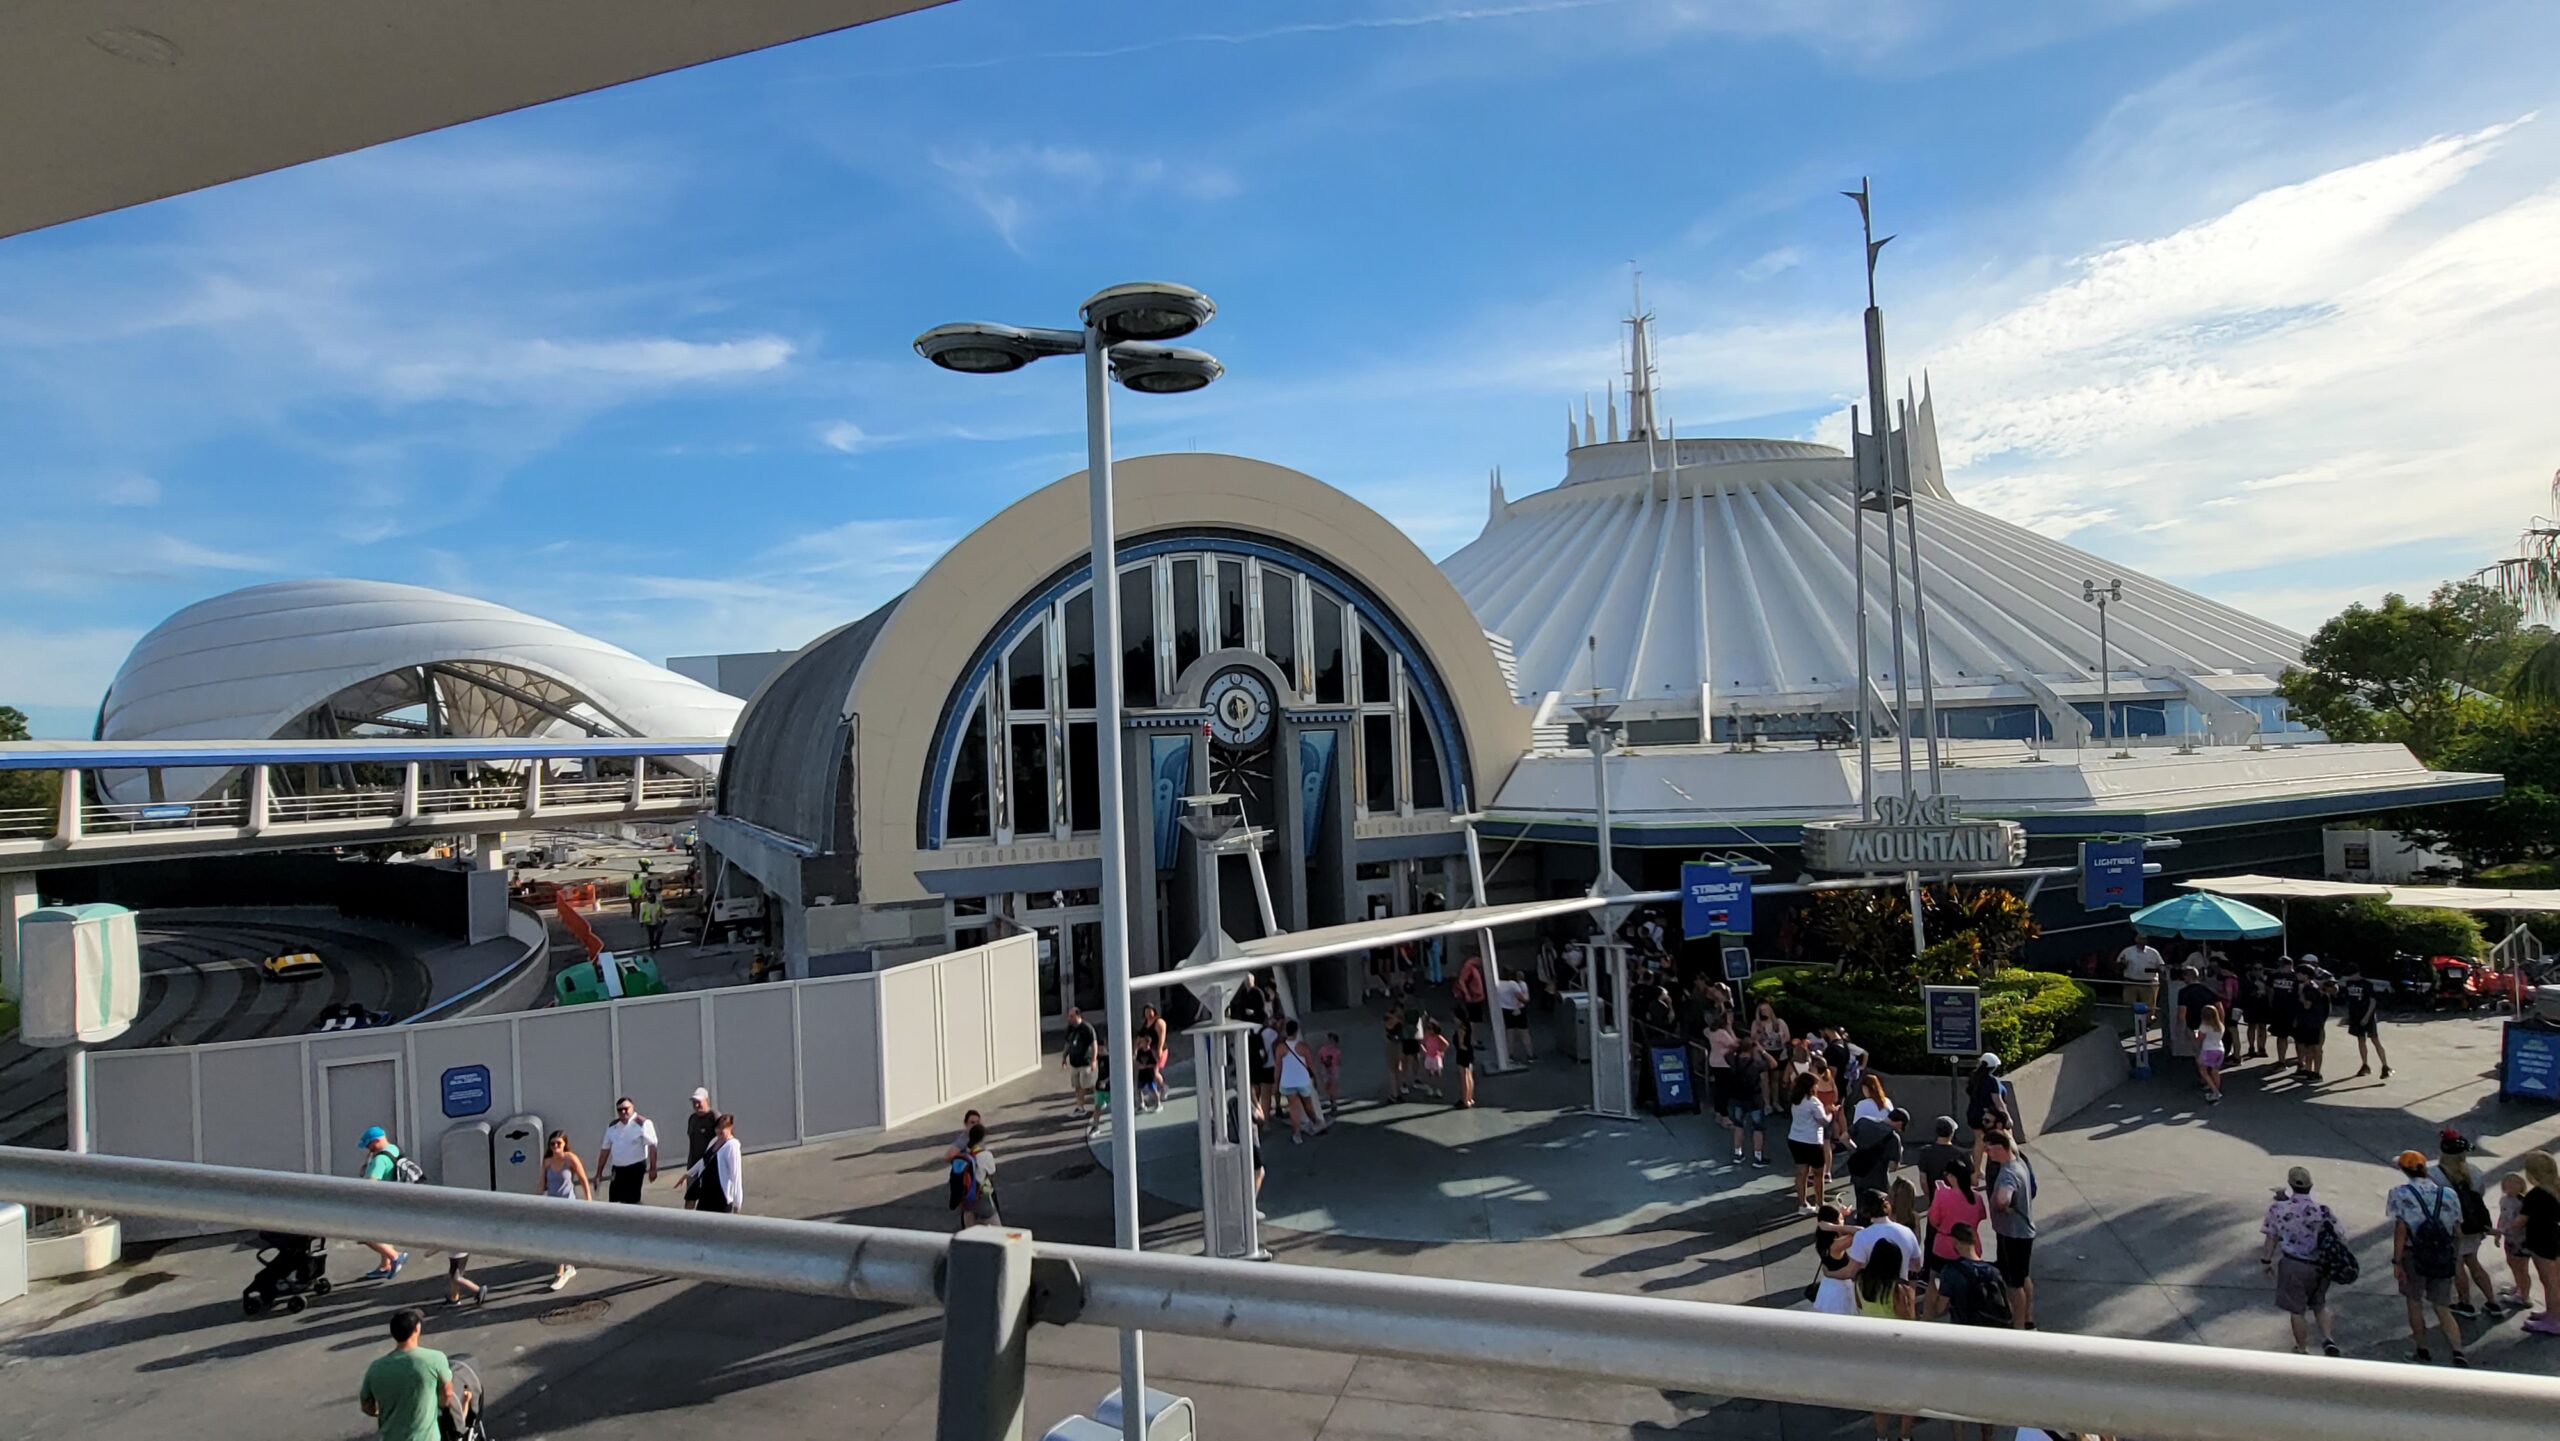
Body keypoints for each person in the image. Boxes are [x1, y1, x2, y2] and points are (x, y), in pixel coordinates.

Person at [2384, 1149, 2469, 1365]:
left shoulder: (2399, 1194)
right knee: (2442, 1305)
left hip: (2415, 1254)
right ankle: (2458, 1350)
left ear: (2404, 1170)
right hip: (2443, 1252)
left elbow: (2401, 1228)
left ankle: (2422, 1350)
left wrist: (2397, 1260)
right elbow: (2458, 1230)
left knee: (2414, 1302)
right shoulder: (2448, 1193)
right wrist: (2455, 1257)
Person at [2260, 1165, 2344, 1356]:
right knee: (2320, 1304)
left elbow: (2271, 1236)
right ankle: (2328, 1339)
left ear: (2290, 1184)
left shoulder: (2278, 1209)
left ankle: (2302, 1348)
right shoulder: (2322, 1210)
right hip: (2320, 1264)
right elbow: (2340, 1234)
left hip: (2293, 1264)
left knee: (2297, 1310)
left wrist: (2266, 1261)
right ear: (2311, 1186)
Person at [359, 1308, 464, 1441]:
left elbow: (367, 1406)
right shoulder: (435, 1359)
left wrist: (384, 1413)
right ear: (417, 1329)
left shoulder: (376, 1368)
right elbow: (447, 1393)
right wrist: (436, 1406)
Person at [1853, 1234, 1916, 1441]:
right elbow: (1909, 1320)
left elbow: (1860, 1305)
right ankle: (1905, 1437)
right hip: (1898, 1348)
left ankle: (1882, 1437)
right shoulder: (1899, 1289)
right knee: (1907, 1397)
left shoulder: (1861, 1280)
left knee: (1879, 1398)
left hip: (1872, 1346)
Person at [2432, 1131, 2501, 1318]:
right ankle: (2492, 1302)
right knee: (2474, 1262)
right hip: (2475, 1224)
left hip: (2452, 1227)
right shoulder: (2475, 1172)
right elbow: (2480, 1194)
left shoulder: (2434, 1175)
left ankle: (2465, 1302)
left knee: (2458, 1265)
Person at [1984, 1131, 2038, 1329]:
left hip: (2011, 1234)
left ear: (2000, 1148)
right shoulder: (2019, 1163)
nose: (1988, 1154)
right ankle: (2028, 1317)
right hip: (2024, 1232)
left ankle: (2017, 1326)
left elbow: (2002, 1199)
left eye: (1989, 1150)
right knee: (2023, 1276)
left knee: (2013, 1284)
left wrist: (2001, 1207)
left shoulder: (2008, 1174)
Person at [1926, 1160, 1989, 1315]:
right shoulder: (1976, 1197)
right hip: (1971, 1247)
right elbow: (1982, 1216)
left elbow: (1933, 1220)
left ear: (1953, 1177)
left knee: (1934, 1279)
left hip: (1944, 1247)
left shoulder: (1942, 1195)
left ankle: (1928, 1315)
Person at [354, 1126, 409, 1281]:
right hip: (391, 1202)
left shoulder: (379, 1160)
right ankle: (385, 1266)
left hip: (378, 1204)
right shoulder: (393, 1149)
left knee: (362, 1235)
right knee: (382, 1234)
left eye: (368, 1145)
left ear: (376, 1141)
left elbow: (370, 1185)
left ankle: (395, 1257)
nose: (367, 1149)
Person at [540, 1130, 591, 1291]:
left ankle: (560, 1272)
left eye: (559, 1143)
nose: (555, 1146)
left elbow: (583, 1179)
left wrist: (588, 1200)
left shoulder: (570, 1159)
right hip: (553, 1204)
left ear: (564, 1144)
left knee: (560, 1237)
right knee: (558, 1237)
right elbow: (541, 1183)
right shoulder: (547, 1162)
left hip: (568, 1204)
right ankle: (568, 1265)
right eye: (552, 1144)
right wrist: (535, 1201)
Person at [2522, 1150, 2560, 1335]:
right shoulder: (2558, 1188)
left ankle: (2553, 1320)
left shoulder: (2535, 1195)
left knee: (2549, 1282)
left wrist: (2502, 1230)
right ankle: (2554, 1313)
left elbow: (2520, 1221)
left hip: (2542, 1242)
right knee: (2556, 1281)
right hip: (2557, 1239)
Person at [595, 1096, 658, 1205]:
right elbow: (605, 1150)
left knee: (632, 1200)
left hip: (635, 1167)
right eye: (620, 1110)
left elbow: (653, 1146)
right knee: (614, 1200)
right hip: (618, 1168)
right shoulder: (612, 1126)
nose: (623, 1112)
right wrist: (598, 1173)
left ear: (632, 1108)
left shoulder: (642, 1123)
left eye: (626, 1108)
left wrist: (653, 1168)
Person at [1786, 1072, 1833, 1215]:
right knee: (1818, 1174)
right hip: (1812, 1141)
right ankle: (1820, 1203)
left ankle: (1802, 1204)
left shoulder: (1796, 1100)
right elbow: (1823, 1121)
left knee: (1801, 1173)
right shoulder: (1814, 1102)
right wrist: (1831, 1113)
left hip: (1795, 1139)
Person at [677, 1112, 741, 1214]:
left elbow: (736, 1176)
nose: (719, 1131)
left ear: (730, 1128)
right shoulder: (714, 1141)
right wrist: (688, 1174)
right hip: (706, 1192)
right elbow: (704, 1160)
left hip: (720, 1197)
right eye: (717, 1128)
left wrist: (737, 1204)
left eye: (722, 1128)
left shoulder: (732, 1146)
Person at [1722, 1031, 1769, 1167]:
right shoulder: (1756, 1064)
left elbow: (1726, 1054)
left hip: (1737, 1097)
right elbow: (1773, 1064)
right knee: (1758, 1128)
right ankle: (1758, 1157)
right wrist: (1763, 1051)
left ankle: (1738, 1153)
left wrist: (1737, 1047)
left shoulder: (1733, 1061)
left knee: (1738, 1125)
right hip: (1754, 1098)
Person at [1275, 1020, 1327, 1141]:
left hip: (1288, 1081)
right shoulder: (1302, 1047)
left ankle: (1297, 1134)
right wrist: (1315, 1079)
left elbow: (1278, 1066)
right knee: (1308, 1106)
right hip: (1302, 1080)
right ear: (1296, 1031)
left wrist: (1276, 1082)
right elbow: (1311, 1065)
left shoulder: (1281, 1048)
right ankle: (1317, 1123)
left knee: (1294, 1108)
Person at [2339, 962, 2391, 1080]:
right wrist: (2347, 1016)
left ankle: (2385, 1065)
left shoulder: (2367, 984)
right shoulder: (2349, 984)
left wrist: (2367, 1016)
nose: (2349, 977)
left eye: (2351, 974)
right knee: (2361, 1040)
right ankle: (2365, 1064)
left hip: (2367, 1015)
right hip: (2355, 1015)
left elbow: (2373, 1001)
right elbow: (2350, 1001)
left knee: (2374, 1039)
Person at [1845, 1107, 1908, 1202]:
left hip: (1859, 1175)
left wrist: (1856, 1151)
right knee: (1879, 1211)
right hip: (1879, 1181)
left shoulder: (1863, 1121)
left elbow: (1843, 1138)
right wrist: (1900, 1151)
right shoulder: (1893, 1138)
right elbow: (1893, 1167)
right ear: (1899, 1123)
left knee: (1861, 1208)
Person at [2496, 1172, 2537, 1316]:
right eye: (2508, 1183)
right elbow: (2502, 1216)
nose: (2511, 1186)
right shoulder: (2504, 1200)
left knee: (2522, 1268)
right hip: (2509, 1238)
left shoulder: (2523, 1202)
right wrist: (2498, 1233)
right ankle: (2518, 1287)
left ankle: (2524, 1296)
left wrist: (2505, 1229)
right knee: (2511, 1263)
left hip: (2521, 1240)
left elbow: (2522, 1222)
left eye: (2515, 1183)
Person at [1808, 1203, 1859, 1315]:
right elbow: (1860, 1232)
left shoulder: (1822, 1239)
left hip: (1828, 1286)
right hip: (1840, 1290)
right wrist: (1835, 1227)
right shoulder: (1837, 1245)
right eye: (1841, 1219)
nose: (1843, 1221)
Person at [948, 1121, 1000, 1229]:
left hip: (966, 1202)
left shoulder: (963, 1155)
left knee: (971, 1236)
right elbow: (991, 1173)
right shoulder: (986, 1155)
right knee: (997, 1231)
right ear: (983, 1138)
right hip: (982, 1198)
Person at [2117, 937, 2165, 1038]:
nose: (2142, 941)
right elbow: (2117, 965)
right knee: (2129, 1004)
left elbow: (2162, 967)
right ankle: (2132, 1025)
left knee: (2148, 1006)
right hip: (2131, 982)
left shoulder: (2153, 952)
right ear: (2136, 940)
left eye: (2144, 939)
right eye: (2140, 939)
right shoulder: (2127, 951)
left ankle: (2146, 1025)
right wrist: (2122, 965)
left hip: (2148, 983)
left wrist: (2154, 970)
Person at [1750, 1003, 1791, 1112]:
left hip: (1778, 1051)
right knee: (1764, 1078)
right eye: (1762, 1010)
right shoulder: (1756, 1023)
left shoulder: (1779, 1022)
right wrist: (1760, 1032)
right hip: (1764, 1052)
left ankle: (1776, 1102)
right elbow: (1753, 1038)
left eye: (1766, 1010)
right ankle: (1767, 1104)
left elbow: (1787, 1037)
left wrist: (1780, 1037)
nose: (1764, 1012)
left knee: (1775, 1079)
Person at [2293, 962, 2331, 1080]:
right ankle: (2309, 1071)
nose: (2297, 975)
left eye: (2299, 973)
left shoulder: (2309, 988)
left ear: (2305, 975)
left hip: (2313, 1023)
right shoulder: (2312, 986)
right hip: (2308, 1022)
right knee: (2309, 1047)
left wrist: (2300, 994)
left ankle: (2316, 1072)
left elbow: (2307, 1005)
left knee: (2315, 1048)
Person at [1062, 1007, 1100, 1117]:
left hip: (1085, 1062)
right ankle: (1080, 1107)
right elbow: (1067, 1044)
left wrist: (1093, 1060)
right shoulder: (1070, 1028)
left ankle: (1099, 1103)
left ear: (1078, 1016)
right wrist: (1064, 1057)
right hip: (1075, 1063)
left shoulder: (1087, 1028)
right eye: (1069, 1016)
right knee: (1078, 1086)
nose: (1069, 1018)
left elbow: (1094, 1045)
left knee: (1090, 1085)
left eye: (1071, 1016)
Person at [1913, 1116, 1964, 1195]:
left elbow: (1923, 1180)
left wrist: (1930, 1197)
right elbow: (1972, 1181)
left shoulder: (1925, 1152)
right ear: (1952, 1133)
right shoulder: (1960, 1153)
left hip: (1935, 1197)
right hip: (1956, 1198)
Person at [2265, 958, 2300, 1069]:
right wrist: (2271, 1002)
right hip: (2279, 1010)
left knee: (2298, 1038)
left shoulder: (2296, 977)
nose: (2280, 968)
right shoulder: (2274, 976)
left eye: (2282, 966)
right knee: (2281, 1036)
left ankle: (2301, 1061)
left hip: (2293, 1010)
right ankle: (2281, 1061)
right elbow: (2268, 988)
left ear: (2289, 965)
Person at [1965, 1053, 2008, 1139]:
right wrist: (2007, 1118)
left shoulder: (1974, 1078)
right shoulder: (1992, 1081)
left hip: (1973, 1114)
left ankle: (1977, 1153)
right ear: (1994, 1067)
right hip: (1990, 1117)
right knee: (1995, 1140)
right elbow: (1998, 1101)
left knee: (1979, 1140)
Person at [1496, 972, 1533, 1060]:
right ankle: (1530, 1055)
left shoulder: (1499, 984)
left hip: (1505, 1009)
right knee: (1524, 1032)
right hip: (1518, 1010)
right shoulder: (1513, 985)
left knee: (1510, 1032)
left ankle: (1511, 1055)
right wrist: (1526, 997)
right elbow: (1522, 999)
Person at [2196, 1002, 2228, 1104]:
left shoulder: (2204, 1026)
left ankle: (2215, 1091)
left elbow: (2200, 1038)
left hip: (2208, 1050)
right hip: (2220, 1049)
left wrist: (2195, 1034)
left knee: (2203, 1071)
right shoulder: (2220, 1026)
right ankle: (2216, 1089)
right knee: (2215, 1071)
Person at [2239, 960, 2272, 1059]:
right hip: (2251, 1005)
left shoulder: (2266, 979)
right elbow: (2244, 991)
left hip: (2263, 1005)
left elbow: (2270, 991)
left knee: (2262, 1027)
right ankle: (2251, 1047)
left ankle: (2262, 1048)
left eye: (2260, 969)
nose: (2258, 971)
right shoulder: (2247, 979)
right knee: (2251, 1026)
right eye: (2255, 969)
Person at [1451, 1011, 1479, 1108]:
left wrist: (1460, 1046)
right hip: (1469, 1052)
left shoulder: (1460, 1029)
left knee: (1463, 1077)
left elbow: (1461, 1044)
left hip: (1462, 1054)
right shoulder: (1469, 1026)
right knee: (1470, 1075)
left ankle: (1464, 1100)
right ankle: (1470, 1098)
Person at [1315, 1031, 1344, 1114]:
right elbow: (1320, 1058)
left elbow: (1339, 1061)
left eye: (1331, 1040)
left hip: (1333, 1071)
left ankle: (1333, 1103)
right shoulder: (1322, 1050)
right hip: (1325, 1071)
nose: (1329, 1042)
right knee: (1328, 1087)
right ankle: (1332, 1100)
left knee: (1332, 1087)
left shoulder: (1337, 1051)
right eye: (1328, 1040)